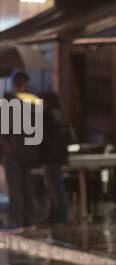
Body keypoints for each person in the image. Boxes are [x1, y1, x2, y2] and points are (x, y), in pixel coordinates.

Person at [1, 70, 41, 232]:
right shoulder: (34, 102)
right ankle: (27, 220)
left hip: (13, 151)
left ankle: (16, 220)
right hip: (29, 151)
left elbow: (4, 130)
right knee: (26, 187)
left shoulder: (9, 103)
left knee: (15, 188)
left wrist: (5, 149)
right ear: (26, 85)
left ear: (14, 85)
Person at [39, 91, 74, 224]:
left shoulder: (48, 117)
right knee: (55, 185)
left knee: (55, 186)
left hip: (51, 156)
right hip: (57, 156)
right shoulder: (59, 116)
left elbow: (46, 139)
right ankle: (57, 213)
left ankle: (60, 214)